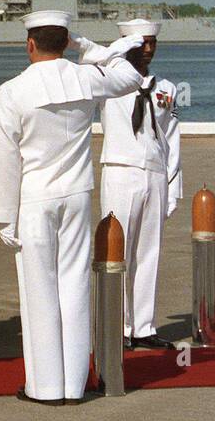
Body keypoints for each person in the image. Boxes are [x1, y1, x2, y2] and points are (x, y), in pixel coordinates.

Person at [0, 10, 143, 405]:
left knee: (38, 290)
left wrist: (5, 216)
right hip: (77, 194)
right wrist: (89, 47)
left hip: (35, 198)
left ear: (29, 44)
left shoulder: (12, 91)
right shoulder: (83, 77)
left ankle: (45, 387)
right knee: (74, 286)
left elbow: (5, 159)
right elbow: (130, 77)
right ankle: (74, 385)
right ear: (64, 42)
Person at [73, 19, 182, 350]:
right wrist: (113, 53)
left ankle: (143, 326)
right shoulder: (109, 79)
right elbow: (84, 62)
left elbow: (171, 138)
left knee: (149, 251)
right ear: (126, 44)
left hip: (155, 172)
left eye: (152, 43)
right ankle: (116, 324)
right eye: (140, 43)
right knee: (116, 250)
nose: (147, 49)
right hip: (120, 169)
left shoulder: (166, 88)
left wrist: (173, 185)